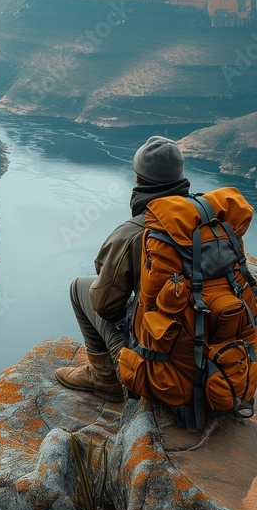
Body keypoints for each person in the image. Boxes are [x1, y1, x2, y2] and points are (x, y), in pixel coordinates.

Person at [55, 135, 191, 402]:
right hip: (218, 361)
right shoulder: (212, 221)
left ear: (139, 179)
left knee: (79, 288)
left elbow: (105, 306)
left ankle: (104, 377)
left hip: (160, 370)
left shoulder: (135, 232)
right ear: (180, 177)